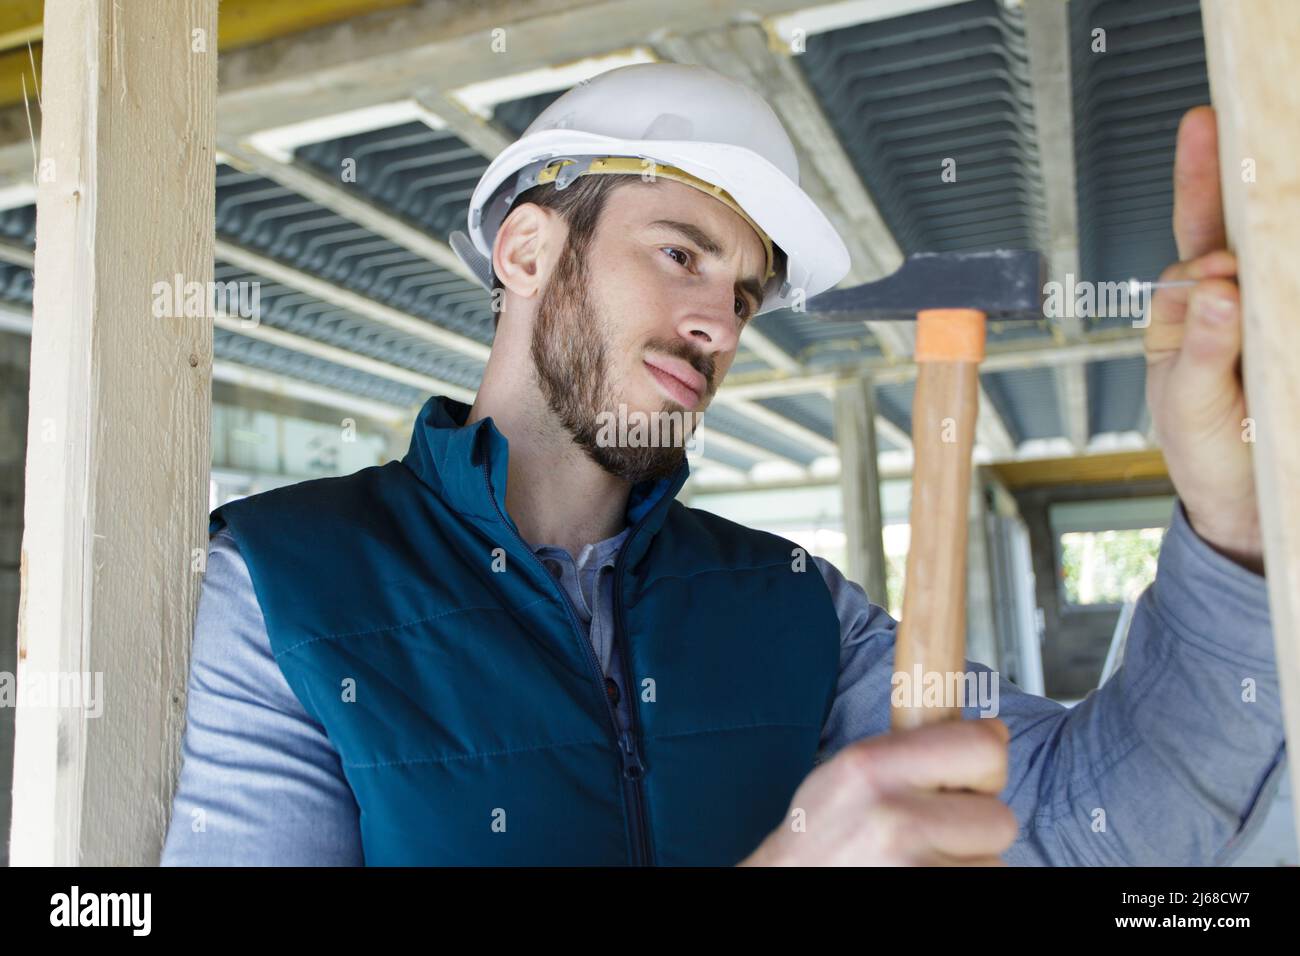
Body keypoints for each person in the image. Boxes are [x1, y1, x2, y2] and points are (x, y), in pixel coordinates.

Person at [162, 63, 1284, 866]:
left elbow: (1102, 825)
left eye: (743, 295)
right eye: (679, 253)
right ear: (527, 250)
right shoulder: (283, 585)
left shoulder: (798, 609)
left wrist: (1231, 527)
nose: (718, 323)